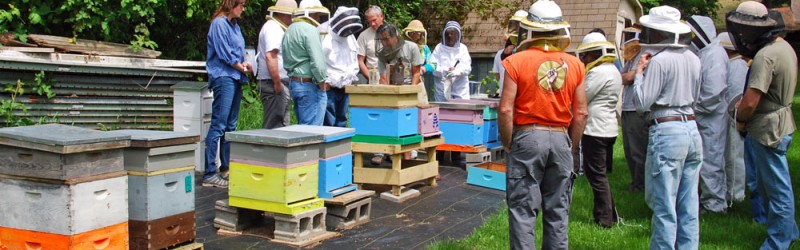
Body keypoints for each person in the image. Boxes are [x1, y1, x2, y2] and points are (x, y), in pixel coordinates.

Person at [499, 0, 587, 248]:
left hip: (527, 137)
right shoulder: (576, 64)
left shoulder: (515, 61)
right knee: (558, 212)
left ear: (529, 28)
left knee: (523, 212)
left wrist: (508, 144)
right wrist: (570, 145)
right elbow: (581, 113)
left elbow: (506, 108)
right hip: (561, 137)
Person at [729, 1, 799, 248]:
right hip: (781, 124)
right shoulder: (784, 47)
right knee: (779, 184)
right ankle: (789, 233)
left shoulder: (766, 55)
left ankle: (778, 241)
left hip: (767, 128)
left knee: (775, 190)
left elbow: (750, 101)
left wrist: (741, 121)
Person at [633, 6, 702, 249]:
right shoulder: (694, 58)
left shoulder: (660, 61)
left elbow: (642, 103)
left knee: (663, 204)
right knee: (688, 202)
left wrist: (639, 73)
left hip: (667, 129)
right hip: (692, 129)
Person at [575, 31, 621, 228]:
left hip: (595, 130)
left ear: (595, 53)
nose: (584, 59)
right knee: (600, 175)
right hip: (608, 128)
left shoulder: (598, 72)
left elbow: (582, 98)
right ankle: (611, 215)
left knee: (596, 176)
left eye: (586, 55)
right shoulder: (612, 70)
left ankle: (604, 220)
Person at [203, 0, 251, 188]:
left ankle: (226, 168)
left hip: (236, 77)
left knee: (230, 125)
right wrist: (241, 66)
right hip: (223, 77)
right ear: (231, 5)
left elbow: (238, 53)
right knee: (219, 125)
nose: (243, 9)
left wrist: (245, 64)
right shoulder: (219, 24)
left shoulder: (235, 26)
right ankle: (209, 173)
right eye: (241, 5)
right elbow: (224, 53)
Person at [687, 15, 730, 214]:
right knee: (703, 160)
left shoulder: (715, 54)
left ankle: (715, 204)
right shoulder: (706, 53)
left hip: (711, 117)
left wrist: (695, 109)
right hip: (704, 116)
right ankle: (707, 200)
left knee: (712, 160)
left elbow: (713, 91)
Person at [281, 0, 329, 126]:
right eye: (317, 14)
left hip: (294, 83)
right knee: (311, 131)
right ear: (309, 13)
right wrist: (322, 82)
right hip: (308, 84)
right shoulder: (310, 30)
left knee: (302, 128)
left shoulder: (289, 29)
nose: (318, 18)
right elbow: (317, 61)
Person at [717, 31, 749, 206]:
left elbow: (736, 96)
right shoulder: (733, 64)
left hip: (733, 118)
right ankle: (728, 190)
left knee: (734, 156)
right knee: (727, 156)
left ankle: (736, 194)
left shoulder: (738, 66)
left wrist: (733, 119)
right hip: (726, 117)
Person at [256, 0, 295, 129]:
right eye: (292, 16)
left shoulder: (276, 27)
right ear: (284, 15)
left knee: (282, 123)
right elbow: (271, 56)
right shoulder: (273, 28)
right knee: (274, 124)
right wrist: (277, 83)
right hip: (272, 83)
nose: (292, 20)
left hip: (275, 82)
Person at [619, 25, 648, 192]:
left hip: (636, 109)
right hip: (627, 107)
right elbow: (621, 77)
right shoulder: (632, 57)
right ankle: (635, 183)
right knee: (629, 149)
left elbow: (629, 77)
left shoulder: (643, 55)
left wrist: (624, 77)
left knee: (638, 150)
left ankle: (641, 185)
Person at [321, 7, 361, 127]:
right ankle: (330, 146)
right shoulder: (326, 36)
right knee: (329, 122)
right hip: (330, 88)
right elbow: (319, 61)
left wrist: (352, 78)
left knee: (342, 120)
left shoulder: (350, 37)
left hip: (345, 88)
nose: (348, 25)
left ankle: (340, 146)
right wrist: (325, 81)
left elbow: (354, 59)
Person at [431, 21, 471, 101]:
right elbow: (433, 66)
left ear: (457, 35)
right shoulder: (439, 48)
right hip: (442, 89)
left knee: (461, 111)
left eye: (452, 33)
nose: (450, 36)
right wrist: (445, 70)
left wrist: (457, 71)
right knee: (442, 111)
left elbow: (467, 68)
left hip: (460, 89)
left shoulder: (463, 49)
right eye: (448, 33)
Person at [492, 10, 527, 97]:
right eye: (515, 24)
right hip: (507, 94)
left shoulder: (529, 45)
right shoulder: (507, 46)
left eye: (519, 24)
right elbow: (499, 75)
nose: (517, 27)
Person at [402, 20, 435, 103]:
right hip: (403, 80)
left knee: (421, 105)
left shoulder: (425, 48)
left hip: (418, 80)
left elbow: (433, 65)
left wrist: (424, 68)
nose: (417, 35)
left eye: (419, 32)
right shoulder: (401, 46)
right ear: (408, 33)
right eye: (414, 32)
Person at [357, 5, 385, 83]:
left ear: (381, 16)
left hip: (390, 75)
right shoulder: (363, 35)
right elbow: (360, 60)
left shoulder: (393, 32)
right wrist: (371, 78)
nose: (372, 24)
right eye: (369, 22)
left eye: (374, 20)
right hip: (372, 75)